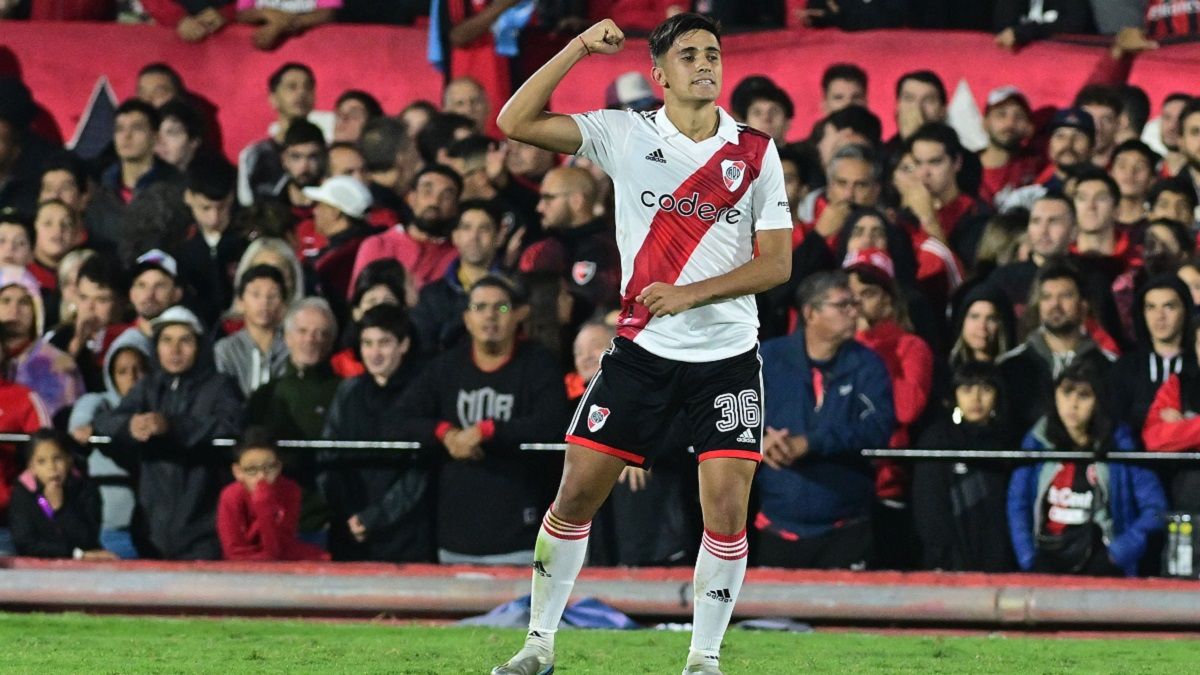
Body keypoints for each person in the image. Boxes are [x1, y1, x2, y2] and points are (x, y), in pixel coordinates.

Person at [492, 13, 793, 675]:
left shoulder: (754, 151)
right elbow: (514, 121)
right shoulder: (624, 133)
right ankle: (538, 643)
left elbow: (777, 264)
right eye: (689, 55)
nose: (704, 63)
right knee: (575, 495)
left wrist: (691, 294)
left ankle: (704, 658)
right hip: (642, 353)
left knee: (726, 510)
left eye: (712, 52)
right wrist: (577, 47)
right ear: (659, 74)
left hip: (726, 358)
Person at [399, 277, 568, 563]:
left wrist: (487, 430)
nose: (490, 316)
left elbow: (553, 424)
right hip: (454, 540)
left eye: (500, 308)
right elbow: (399, 418)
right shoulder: (446, 367)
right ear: (467, 318)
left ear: (519, 314)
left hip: (521, 540)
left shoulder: (539, 364)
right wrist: (445, 433)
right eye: (480, 307)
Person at [756, 271, 895, 569]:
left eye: (855, 304)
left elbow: (878, 429)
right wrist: (759, 442)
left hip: (847, 528)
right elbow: (731, 418)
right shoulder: (768, 360)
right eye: (843, 305)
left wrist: (811, 443)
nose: (854, 312)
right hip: (775, 527)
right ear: (810, 313)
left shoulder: (868, 365)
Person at [92, 306, 243, 560]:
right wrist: (130, 425)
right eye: (166, 341)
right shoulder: (148, 387)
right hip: (151, 529)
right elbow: (107, 421)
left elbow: (231, 427)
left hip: (205, 529)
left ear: (200, 346)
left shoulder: (220, 386)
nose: (175, 350)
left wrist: (172, 426)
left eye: (185, 341)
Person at [1010, 361, 1166, 577]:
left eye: (1084, 395)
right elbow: (1017, 504)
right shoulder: (1036, 440)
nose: (1072, 404)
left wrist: (1116, 555)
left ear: (1098, 401)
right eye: (1066, 392)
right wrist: (1029, 558)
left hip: (1103, 568)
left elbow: (1155, 509)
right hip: (1046, 564)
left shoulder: (1120, 443)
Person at [319, 304, 434, 562]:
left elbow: (419, 472)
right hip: (348, 532)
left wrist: (374, 518)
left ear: (404, 345)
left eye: (384, 343)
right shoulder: (348, 391)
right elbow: (328, 453)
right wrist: (346, 513)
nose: (374, 353)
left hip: (405, 540)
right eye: (367, 343)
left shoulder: (421, 394)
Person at [912, 362, 1016, 572]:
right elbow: (929, 506)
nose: (976, 399)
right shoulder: (938, 438)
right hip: (949, 565)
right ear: (955, 394)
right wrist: (943, 559)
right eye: (967, 389)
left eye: (985, 389)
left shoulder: (1008, 441)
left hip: (999, 563)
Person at [997, 263, 1117, 434]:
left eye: (1065, 296)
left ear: (1083, 305)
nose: (1055, 304)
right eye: (1047, 297)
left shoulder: (1109, 367)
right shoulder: (1010, 367)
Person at [68, 342, 149, 559]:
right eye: (122, 372)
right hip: (111, 527)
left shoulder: (159, 408)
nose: (132, 378)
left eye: (139, 370)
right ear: (110, 375)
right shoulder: (100, 402)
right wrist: (85, 427)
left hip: (153, 527)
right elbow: (80, 422)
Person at [217, 427, 328, 561]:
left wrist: (264, 509)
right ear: (237, 472)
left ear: (279, 467)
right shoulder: (230, 496)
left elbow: (279, 547)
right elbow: (233, 551)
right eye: (252, 469)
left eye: (269, 467)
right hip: (243, 560)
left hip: (278, 552)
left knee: (321, 557)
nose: (261, 476)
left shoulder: (290, 490)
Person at [519, 167, 621, 309]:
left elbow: (594, 306)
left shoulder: (606, 249)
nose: (540, 207)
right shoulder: (547, 245)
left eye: (548, 198)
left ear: (576, 201)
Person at [410, 199, 503, 354]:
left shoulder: (515, 290)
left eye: (484, 229)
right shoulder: (431, 296)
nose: (474, 236)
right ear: (455, 237)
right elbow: (423, 352)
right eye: (466, 228)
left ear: (499, 237)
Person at [350, 165, 462, 293]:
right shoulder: (378, 245)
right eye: (427, 191)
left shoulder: (457, 257)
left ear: (455, 208)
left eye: (446, 196)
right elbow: (358, 299)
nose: (434, 202)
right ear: (411, 198)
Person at [9, 429, 115, 560]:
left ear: (69, 459)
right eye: (42, 461)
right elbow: (26, 544)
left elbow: (87, 540)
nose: (51, 467)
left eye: (57, 459)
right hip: (39, 567)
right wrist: (75, 554)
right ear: (31, 467)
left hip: (84, 567)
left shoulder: (84, 488)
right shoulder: (23, 493)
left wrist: (61, 509)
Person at [0, 265, 84, 421]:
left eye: (24, 302)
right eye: (5, 301)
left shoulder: (57, 363)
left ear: (36, 310)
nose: (14, 310)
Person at [1111, 275, 1192, 436]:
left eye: (1169, 306)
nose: (1159, 316)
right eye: (1151, 307)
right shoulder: (1124, 368)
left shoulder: (1196, 364)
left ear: (1185, 310)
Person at [174, 155, 247, 329]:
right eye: (205, 208)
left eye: (221, 207)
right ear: (188, 197)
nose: (214, 218)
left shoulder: (247, 238)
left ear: (231, 197)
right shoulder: (177, 243)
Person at [237, 63, 317, 208]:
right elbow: (247, 205)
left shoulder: (328, 152)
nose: (301, 93)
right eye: (292, 87)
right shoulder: (255, 155)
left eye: (308, 87)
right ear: (273, 98)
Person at [214, 264, 288, 397]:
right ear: (240, 302)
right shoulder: (226, 349)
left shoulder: (292, 347)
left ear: (283, 304)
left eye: (272, 295)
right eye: (256, 294)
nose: (264, 302)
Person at [304, 175, 375, 311]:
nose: (315, 211)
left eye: (320, 205)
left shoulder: (337, 260)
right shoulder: (368, 244)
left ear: (335, 211)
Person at [977, 86, 1041, 207]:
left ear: (1029, 127)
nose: (1010, 123)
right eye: (1001, 115)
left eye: (1019, 116)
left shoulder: (1036, 165)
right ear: (985, 123)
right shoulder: (962, 168)